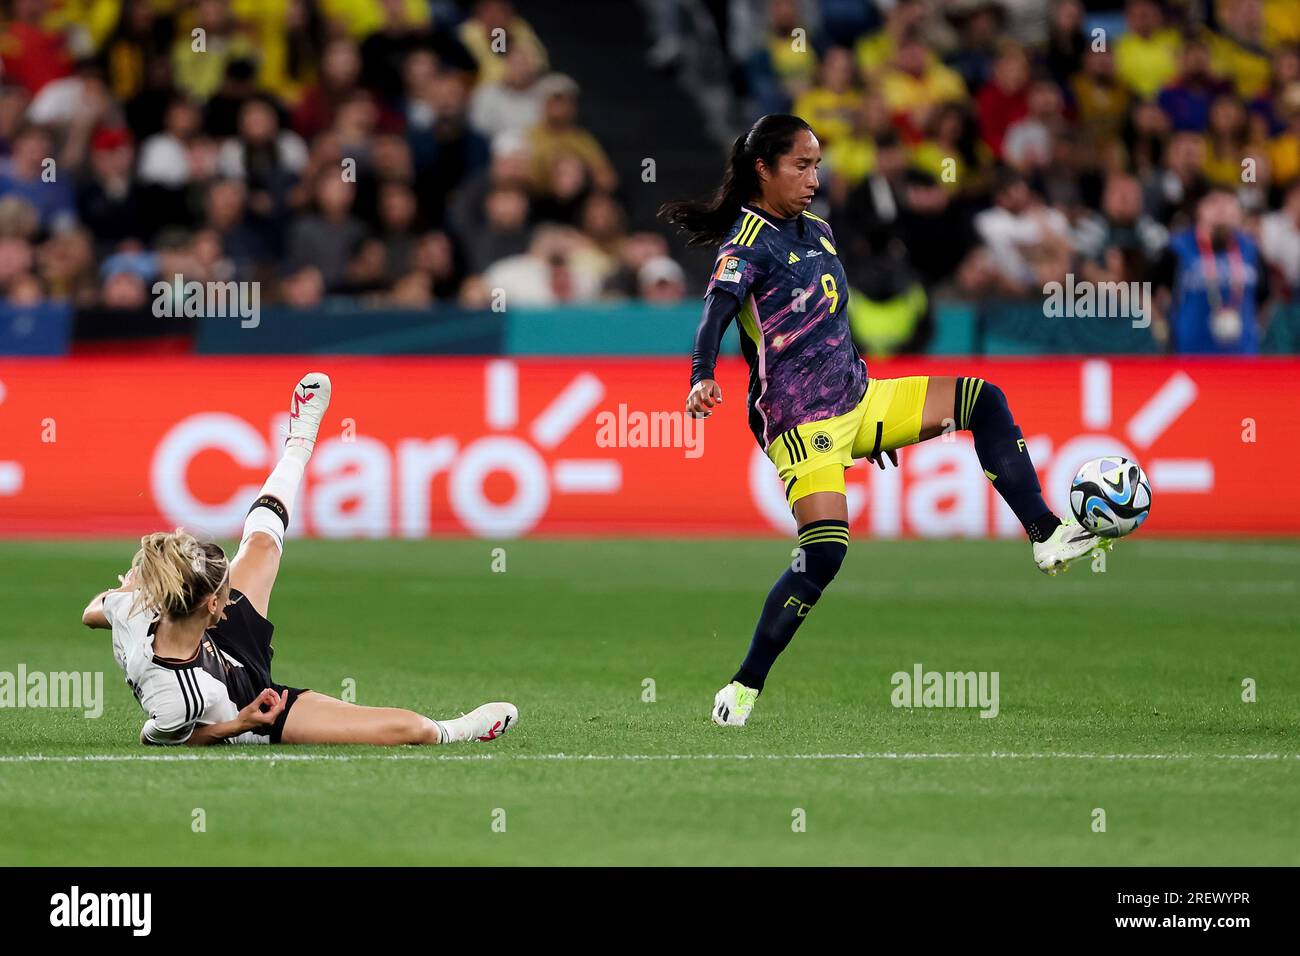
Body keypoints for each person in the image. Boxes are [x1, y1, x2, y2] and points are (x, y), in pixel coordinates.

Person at [658, 114, 1106, 728]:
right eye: (801, 166)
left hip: (859, 398)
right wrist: (701, 376)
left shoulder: (818, 229)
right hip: (797, 419)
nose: (815, 178)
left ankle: (1047, 534)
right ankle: (743, 687)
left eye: (818, 165)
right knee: (824, 554)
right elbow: (713, 316)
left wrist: (868, 422)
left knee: (982, 399)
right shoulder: (747, 244)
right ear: (763, 169)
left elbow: (829, 324)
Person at [81, 372, 517, 746]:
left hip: (213, 641)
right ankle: (455, 730)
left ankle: (299, 440)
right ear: (213, 604)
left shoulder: (133, 609)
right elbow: (157, 737)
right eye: (224, 590)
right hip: (245, 700)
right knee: (409, 730)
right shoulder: (183, 697)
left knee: (262, 545)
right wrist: (241, 722)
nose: (231, 589)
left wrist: (124, 592)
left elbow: (91, 613)